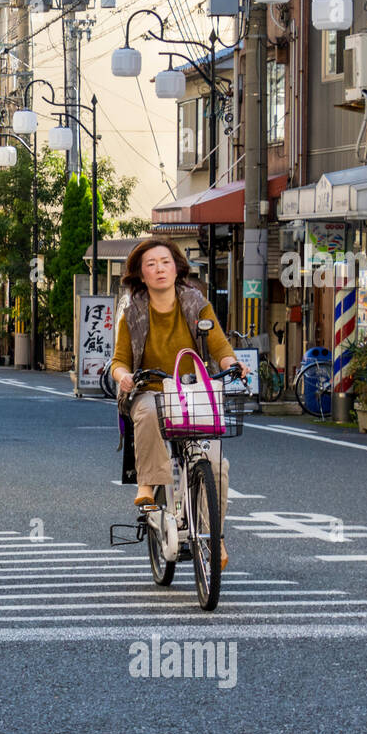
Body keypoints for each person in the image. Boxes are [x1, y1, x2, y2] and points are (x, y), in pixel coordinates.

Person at [109, 239, 240, 570]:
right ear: (141, 274)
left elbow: (221, 347)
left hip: (193, 392)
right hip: (151, 388)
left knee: (217, 466)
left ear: (177, 267)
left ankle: (214, 537)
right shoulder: (133, 312)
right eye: (150, 264)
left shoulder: (197, 303)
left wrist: (233, 365)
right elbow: (119, 361)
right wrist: (124, 377)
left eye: (164, 262)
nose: (159, 269)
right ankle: (147, 486)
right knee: (151, 410)